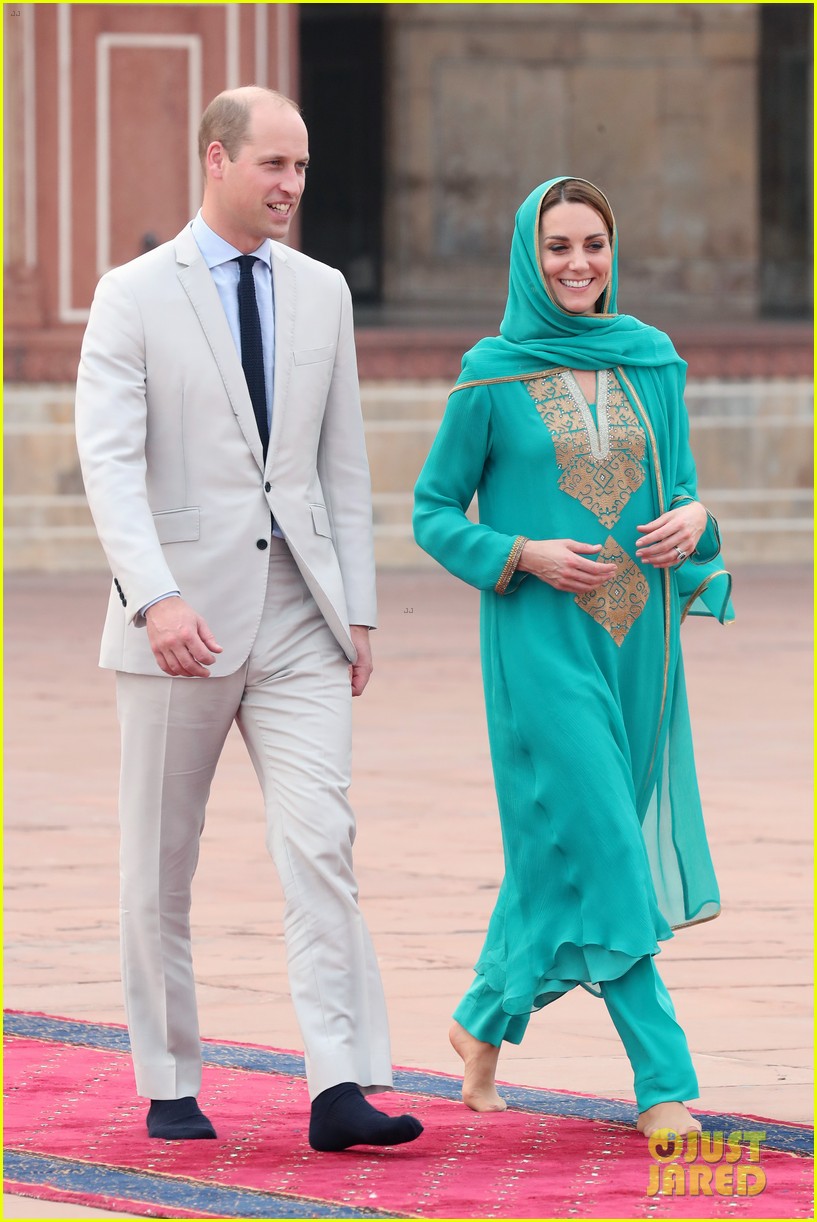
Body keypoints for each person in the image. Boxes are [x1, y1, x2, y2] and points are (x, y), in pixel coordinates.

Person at [75, 86, 422, 1153]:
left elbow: (341, 464)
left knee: (323, 841)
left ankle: (342, 1084)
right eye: (274, 165)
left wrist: (354, 607)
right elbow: (111, 466)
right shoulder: (131, 294)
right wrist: (154, 595)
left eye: (304, 168)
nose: (292, 186)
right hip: (175, 626)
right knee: (159, 862)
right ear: (216, 159)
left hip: (299, 622)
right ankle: (170, 1078)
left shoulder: (322, 294)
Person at [413, 177, 734, 1138]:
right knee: (603, 841)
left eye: (592, 244)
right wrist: (516, 553)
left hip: (639, 644)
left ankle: (479, 1021)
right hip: (538, 642)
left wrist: (703, 525)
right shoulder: (490, 373)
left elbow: (679, 499)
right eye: (556, 246)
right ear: (527, 254)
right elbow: (432, 510)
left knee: (567, 848)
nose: (576, 264)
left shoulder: (651, 362)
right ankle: (662, 1080)